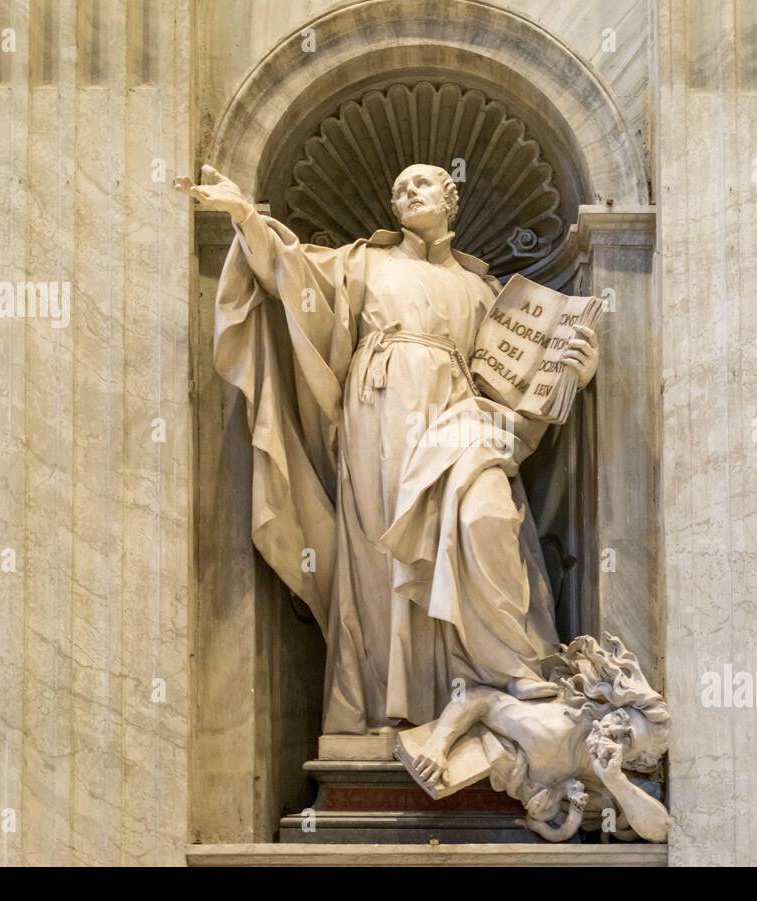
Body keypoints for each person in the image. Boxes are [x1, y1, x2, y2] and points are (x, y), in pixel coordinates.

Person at [176, 163, 599, 734]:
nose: (405, 192)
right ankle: (390, 709)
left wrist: (575, 373)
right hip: (379, 411)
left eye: (420, 184)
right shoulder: (363, 263)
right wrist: (244, 216)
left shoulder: (485, 290)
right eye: (397, 188)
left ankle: (503, 667)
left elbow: (519, 387)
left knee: (487, 516)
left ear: (451, 198)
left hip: (459, 415)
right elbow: (289, 272)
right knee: (384, 559)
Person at [405, 633, 670, 842]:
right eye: (621, 719)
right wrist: (438, 744)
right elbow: (479, 699)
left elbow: (661, 831)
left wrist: (617, 782)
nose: (613, 731)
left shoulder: (616, 784)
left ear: (635, 762)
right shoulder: (553, 730)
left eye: (628, 740)